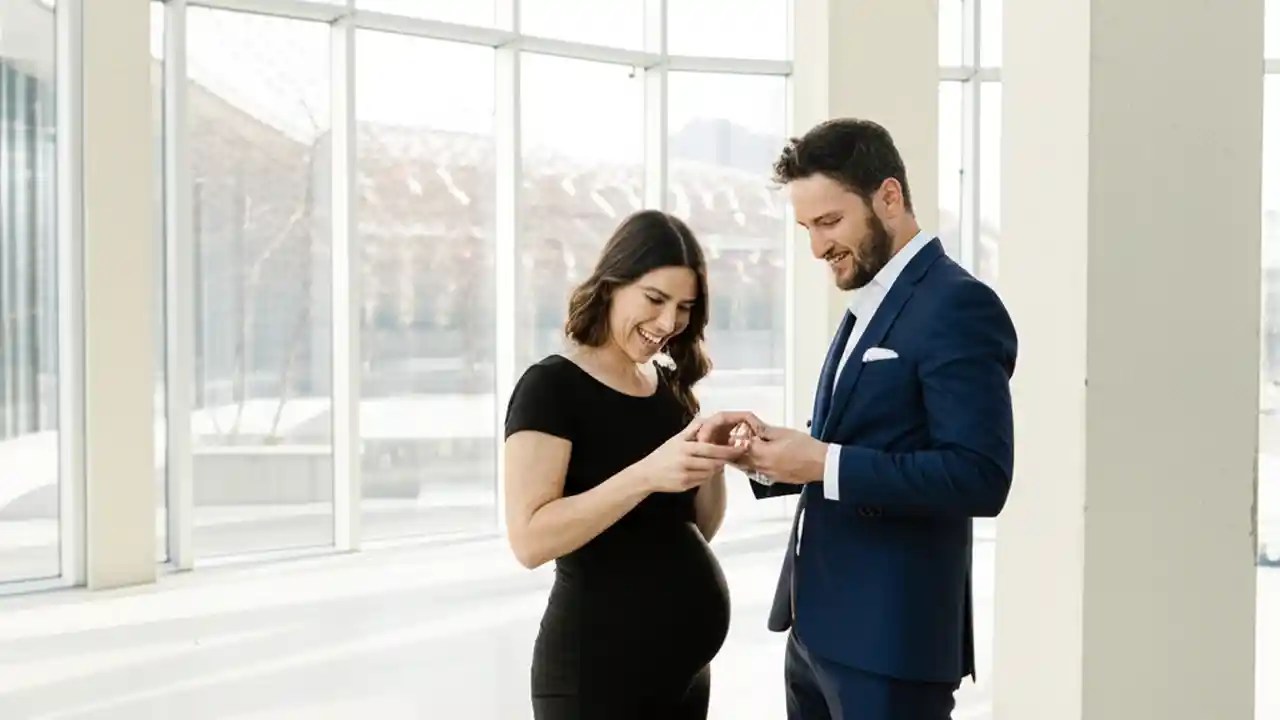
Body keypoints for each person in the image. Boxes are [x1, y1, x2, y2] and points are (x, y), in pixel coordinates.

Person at [740, 119, 1018, 719]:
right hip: (814, 631)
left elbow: (979, 475)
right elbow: (863, 441)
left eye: (829, 222)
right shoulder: (871, 300)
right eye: (806, 228)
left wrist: (821, 460)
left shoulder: (957, 303)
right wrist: (769, 455)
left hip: (891, 646)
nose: (816, 247)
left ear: (888, 197)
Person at [503, 209, 762, 720]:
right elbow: (529, 540)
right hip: (597, 676)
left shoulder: (667, 388)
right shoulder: (551, 387)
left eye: (685, 307)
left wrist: (707, 455)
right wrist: (648, 473)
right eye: (655, 299)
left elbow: (694, 530)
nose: (669, 323)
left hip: (682, 674)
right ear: (612, 283)